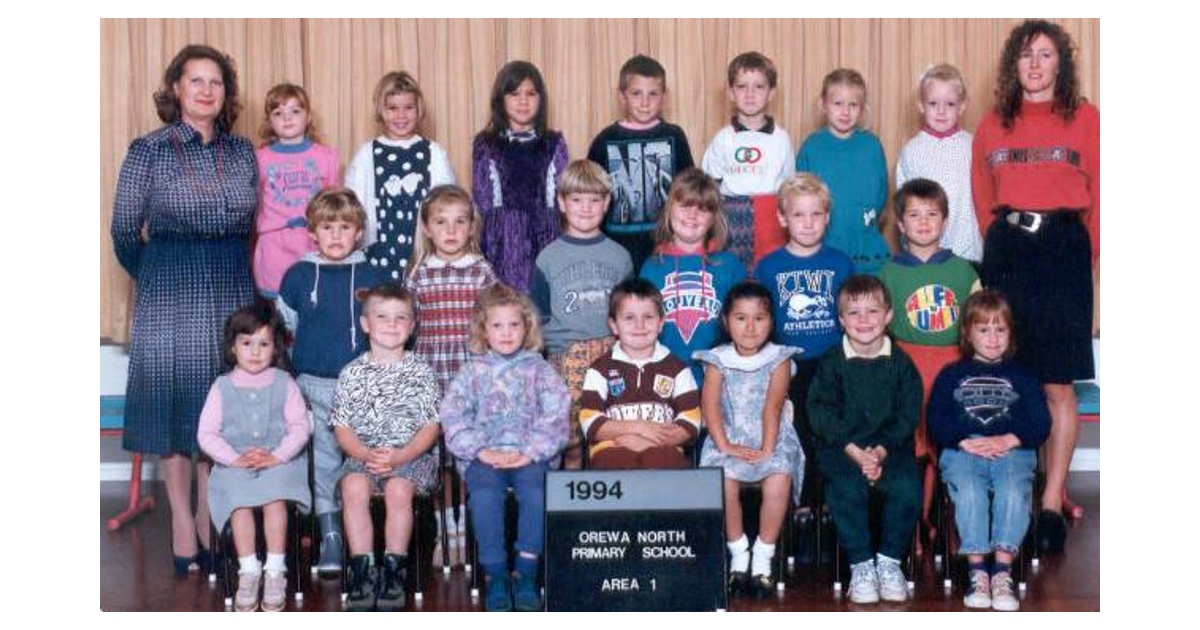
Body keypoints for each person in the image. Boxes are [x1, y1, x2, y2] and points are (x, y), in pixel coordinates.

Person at [110, 44, 258, 575]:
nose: (205, 91)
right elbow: (125, 233)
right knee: (175, 410)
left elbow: (252, 225)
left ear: (226, 93)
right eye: (195, 81)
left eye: (215, 82)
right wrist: (157, 277)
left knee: (221, 408)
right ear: (176, 89)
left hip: (229, 283)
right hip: (169, 288)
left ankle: (207, 515)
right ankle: (179, 523)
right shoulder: (147, 150)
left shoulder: (242, 151)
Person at [972, 19, 1099, 551]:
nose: (1035, 64)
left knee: (1056, 383)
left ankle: (1049, 503)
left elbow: (1106, 193)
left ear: (1060, 64)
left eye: (1045, 55)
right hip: (1009, 250)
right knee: (1007, 375)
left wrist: (1088, 259)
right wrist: (1000, 245)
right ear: (1013, 65)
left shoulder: (1087, 119)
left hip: (1063, 251)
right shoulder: (992, 123)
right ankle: (1012, 496)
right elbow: (982, 197)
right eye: (1026, 55)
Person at [276, 187, 387, 576]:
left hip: (364, 387)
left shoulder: (373, 276)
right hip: (315, 386)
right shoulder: (299, 276)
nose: (336, 235)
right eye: (327, 227)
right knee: (323, 463)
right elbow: (281, 331)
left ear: (359, 232)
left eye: (345, 227)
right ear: (312, 232)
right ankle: (330, 534)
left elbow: (394, 327)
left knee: (362, 460)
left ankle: (369, 539)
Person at [441, 284, 571, 611]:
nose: (506, 332)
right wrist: (480, 451)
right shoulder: (472, 371)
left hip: (530, 455)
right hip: (486, 455)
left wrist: (530, 451)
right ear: (483, 330)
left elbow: (557, 413)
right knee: (484, 496)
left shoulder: (540, 369)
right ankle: (496, 575)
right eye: (497, 325)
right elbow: (453, 414)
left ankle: (525, 573)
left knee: (536, 494)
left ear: (527, 327)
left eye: (514, 324)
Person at [929, 290, 1051, 611]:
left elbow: (1041, 423)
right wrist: (963, 440)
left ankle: (1002, 570)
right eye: (984, 330)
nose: (993, 338)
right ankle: (978, 570)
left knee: (1013, 490)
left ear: (1011, 333)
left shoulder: (1022, 377)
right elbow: (936, 421)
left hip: (1012, 448)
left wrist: (1010, 439)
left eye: (1001, 329)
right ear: (968, 333)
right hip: (964, 448)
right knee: (969, 490)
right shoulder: (951, 375)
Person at [752, 173, 855, 552]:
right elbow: (761, 323)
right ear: (782, 219)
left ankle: (829, 511)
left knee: (830, 438)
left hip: (831, 364)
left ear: (827, 217)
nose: (808, 223)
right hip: (789, 366)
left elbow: (853, 317)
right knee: (795, 440)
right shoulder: (768, 267)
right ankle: (799, 511)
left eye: (816, 214)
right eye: (799, 215)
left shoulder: (841, 263)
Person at [879, 178, 980, 556]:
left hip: (952, 367)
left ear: (945, 221)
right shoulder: (889, 273)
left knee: (951, 446)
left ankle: (951, 523)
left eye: (932, 215)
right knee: (913, 450)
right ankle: (915, 526)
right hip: (908, 367)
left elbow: (979, 323)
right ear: (901, 225)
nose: (923, 223)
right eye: (914, 215)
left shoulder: (963, 272)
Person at [807, 275, 922, 604]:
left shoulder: (901, 363)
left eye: (873, 311)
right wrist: (857, 454)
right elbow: (820, 412)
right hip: (844, 448)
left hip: (890, 447)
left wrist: (881, 451)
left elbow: (908, 413)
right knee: (845, 489)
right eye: (854, 313)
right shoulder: (831, 362)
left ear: (888, 316)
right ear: (841, 320)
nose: (864, 320)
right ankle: (861, 565)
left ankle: (888, 562)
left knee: (906, 488)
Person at [331, 284, 442, 612]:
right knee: (352, 487)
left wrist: (401, 456)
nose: (392, 324)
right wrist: (365, 455)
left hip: (411, 457)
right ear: (365, 324)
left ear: (411, 326)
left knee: (397, 491)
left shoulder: (421, 372)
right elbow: (343, 429)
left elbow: (430, 428)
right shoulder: (351, 374)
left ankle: (394, 572)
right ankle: (363, 571)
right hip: (363, 456)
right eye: (382, 317)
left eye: (401, 318)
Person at [197, 301, 311, 612]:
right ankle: (249, 570)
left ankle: (275, 570)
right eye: (247, 343)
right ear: (233, 347)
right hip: (236, 462)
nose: (255, 351)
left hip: (279, 461)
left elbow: (300, 427)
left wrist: (277, 456)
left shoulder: (284, 383)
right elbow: (206, 434)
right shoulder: (222, 386)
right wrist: (234, 458)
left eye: (264, 343)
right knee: (238, 499)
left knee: (275, 497)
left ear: (276, 348)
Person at [407, 184, 498, 566]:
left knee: (467, 455)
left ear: (471, 227)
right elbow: (406, 326)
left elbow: (494, 322)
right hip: (431, 371)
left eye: (460, 222)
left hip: (470, 373)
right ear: (427, 227)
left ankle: (467, 529)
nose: (451, 231)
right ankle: (446, 529)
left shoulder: (480, 270)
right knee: (439, 456)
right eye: (441, 222)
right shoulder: (419, 274)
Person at [695, 281, 804, 597]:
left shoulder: (779, 358)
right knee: (722, 479)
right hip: (727, 436)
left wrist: (767, 449)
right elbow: (710, 406)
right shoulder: (717, 359)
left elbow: (773, 407)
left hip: (771, 437)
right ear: (727, 322)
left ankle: (763, 557)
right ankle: (739, 551)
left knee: (778, 478)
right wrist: (726, 445)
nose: (751, 326)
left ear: (771, 322)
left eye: (760, 318)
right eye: (741, 318)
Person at [532, 160, 634, 470]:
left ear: (606, 203)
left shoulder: (620, 256)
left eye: (594, 200)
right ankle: (569, 513)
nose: (586, 208)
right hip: (566, 357)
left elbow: (629, 312)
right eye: (577, 200)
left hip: (612, 354)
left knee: (613, 439)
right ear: (562, 203)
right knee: (571, 443)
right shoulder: (548, 257)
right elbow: (539, 316)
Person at [586, 54, 695, 272]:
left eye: (652, 94)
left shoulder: (674, 136)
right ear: (622, 96)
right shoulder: (605, 140)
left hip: (666, 246)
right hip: (616, 246)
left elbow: (690, 190)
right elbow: (590, 194)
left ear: (664, 97)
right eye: (636, 93)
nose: (645, 102)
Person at [579, 278, 701, 470]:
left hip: (664, 449)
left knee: (666, 461)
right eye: (629, 318)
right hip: (612, 448)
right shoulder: (599, 370)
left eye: (648, 317)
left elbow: (691, 421)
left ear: (661, 322)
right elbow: (590, 422)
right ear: (614, 325)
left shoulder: (678, 369)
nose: (640, 325)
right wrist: (638, 428)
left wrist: (653, 443)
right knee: (614, 462)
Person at [346, 71, 455, 282]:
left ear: (418, 109)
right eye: (393, 108)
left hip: (422, 250)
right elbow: (353, 205)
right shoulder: (366, 154)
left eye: (408, 108)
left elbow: (448, 202)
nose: (401, 116)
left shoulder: (434, 153)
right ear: (381, 110)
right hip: (379, 251)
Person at [639, 168, 746, 381]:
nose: (692, 215)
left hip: (718, 379)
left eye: (703, 209)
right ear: (669, 209)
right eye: (685, 205)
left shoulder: (729, 266)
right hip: (664, 378)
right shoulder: (651, 267)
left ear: (713, 218)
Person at [473, 60, 570, 292]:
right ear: (501, 99)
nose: (523, 101)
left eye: (531, 94)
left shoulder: (553, 143)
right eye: (514, 94)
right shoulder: (486, 144)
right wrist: (504, 239)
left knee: (542, 303)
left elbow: (560, 196)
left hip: (545, 236)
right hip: (502, 241)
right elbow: (484, 199)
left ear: (541, 99)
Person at [701, 51, 794, 273]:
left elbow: (789, 188)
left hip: (770, 215)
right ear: (731, 93)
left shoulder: (781, 138)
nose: (750, 94)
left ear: (771, 93)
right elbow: (709, 187)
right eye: (742, 87)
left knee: (770, 275)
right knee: (730, 276)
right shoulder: (723, 138)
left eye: (759, 87)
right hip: (730, 215)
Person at [796, 68, 892, 276]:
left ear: (862, 108)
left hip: (866, 248)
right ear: (823, 105)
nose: (845, 112)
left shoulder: (871, 146)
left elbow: (881, 195)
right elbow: (799, 197)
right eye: (838, 103)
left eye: (853, 105)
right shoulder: (811, 147)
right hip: (824, 247)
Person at [252, 82, 341, 297]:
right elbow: (254, 205)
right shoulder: (260, 158)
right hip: (275, 244)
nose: (287, 118)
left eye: (295, 111)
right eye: (278, 112)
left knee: (315, 301)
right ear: (269, 121)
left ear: (308, 116)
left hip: (315, 242)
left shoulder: (327, 156)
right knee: (278, 312)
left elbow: (335, 204)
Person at [894, 64, 983, 263]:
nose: (941, 111)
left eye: (950, 104)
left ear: (962, 106)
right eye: (933, 104)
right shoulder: (912, 151)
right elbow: (904, 204)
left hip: (967, 252)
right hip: (925, 254)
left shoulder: (973, 146)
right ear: (921, 106)